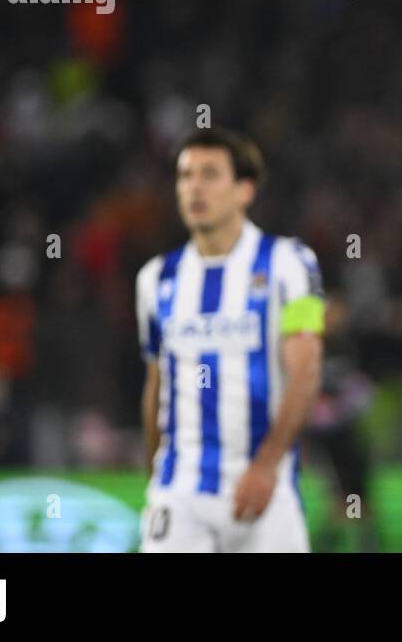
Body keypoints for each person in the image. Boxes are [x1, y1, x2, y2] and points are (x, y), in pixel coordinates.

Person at [137, 127, 324, 552]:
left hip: (266, 489)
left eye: (209, 174)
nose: (194, 188)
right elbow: (156, 385)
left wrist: (266, 463)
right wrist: (156, 476)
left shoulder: (290, 263)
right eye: (186, 176)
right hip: (180, 493)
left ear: (244, 190)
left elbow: (306, 369)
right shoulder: (155, 280)